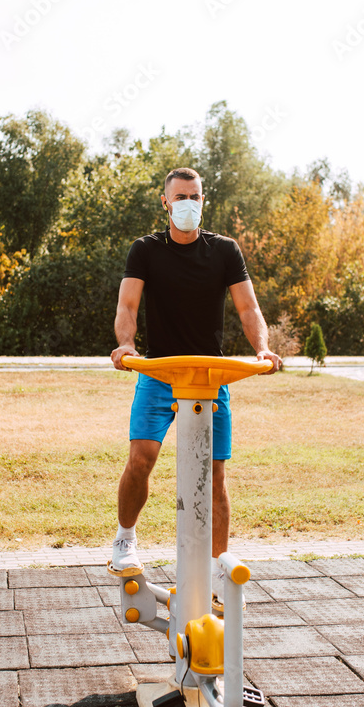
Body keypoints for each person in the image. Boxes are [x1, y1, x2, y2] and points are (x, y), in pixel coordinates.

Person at [108, 167, 281, 609]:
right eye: (180, 196)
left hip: (210, 378)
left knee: (216, 476)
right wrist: (126, 344)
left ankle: (217, 570)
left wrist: (262, 349)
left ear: (204, 199)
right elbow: (128, 304)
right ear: (165, 202)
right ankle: (125, 540)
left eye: (196, 196)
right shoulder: (146, 250)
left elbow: (248, 308)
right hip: (160, 372)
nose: (189, 203)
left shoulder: (224, 251)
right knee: (142, 457)